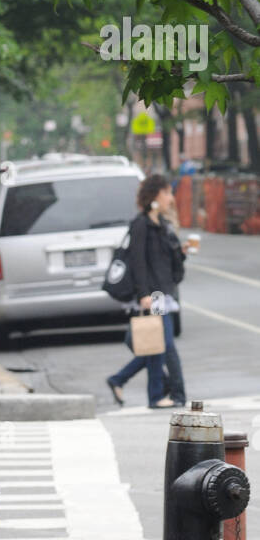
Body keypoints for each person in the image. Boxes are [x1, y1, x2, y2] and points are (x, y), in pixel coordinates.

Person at [104, 175, 188, 409]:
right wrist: (143, 294)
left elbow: (163, 262)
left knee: (157, 344)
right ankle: (169, 394)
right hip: (152, 295)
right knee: (163, 344)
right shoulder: (141, 224)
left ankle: (124, 381)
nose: (171, 198)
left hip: (162, 292)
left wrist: (181, 251)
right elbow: (138, 261)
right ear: (156, 195)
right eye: (168, 193)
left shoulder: (160, 223)